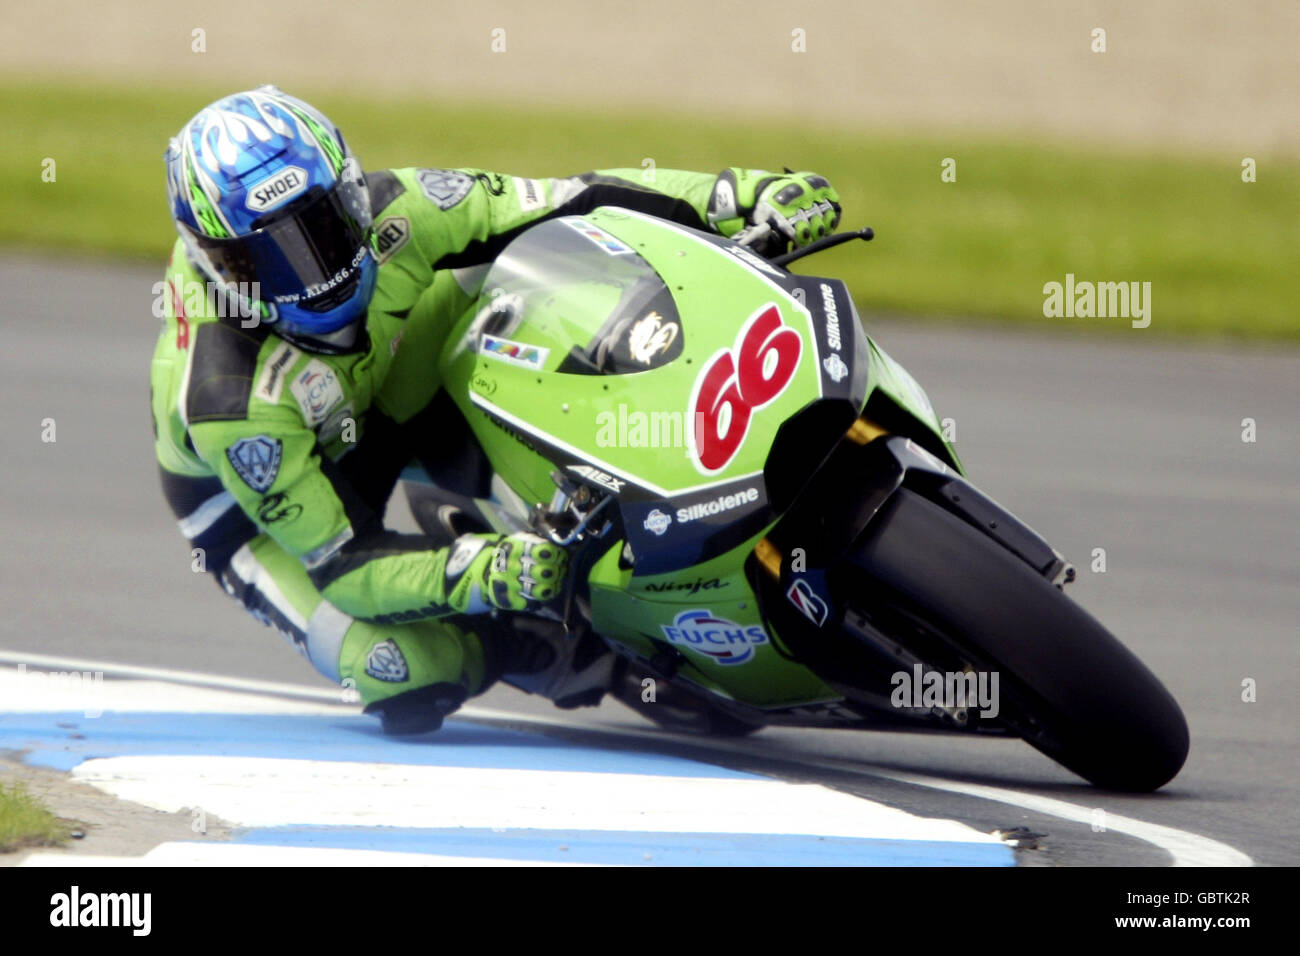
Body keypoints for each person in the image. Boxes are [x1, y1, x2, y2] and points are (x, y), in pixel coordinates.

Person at [150, 86, 841, 734]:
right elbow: (345, 567)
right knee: (400, 674)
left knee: (521, 258)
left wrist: (738, 194)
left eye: (325, 228)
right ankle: (535, 643)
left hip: (384, 378)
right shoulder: (230, 402)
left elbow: (577, 199)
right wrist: (478, 574)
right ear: (220, 266)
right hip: (262, 510)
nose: (315, 271)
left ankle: (621, 441)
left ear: (355, 194)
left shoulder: (405, 209)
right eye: (270, 258)